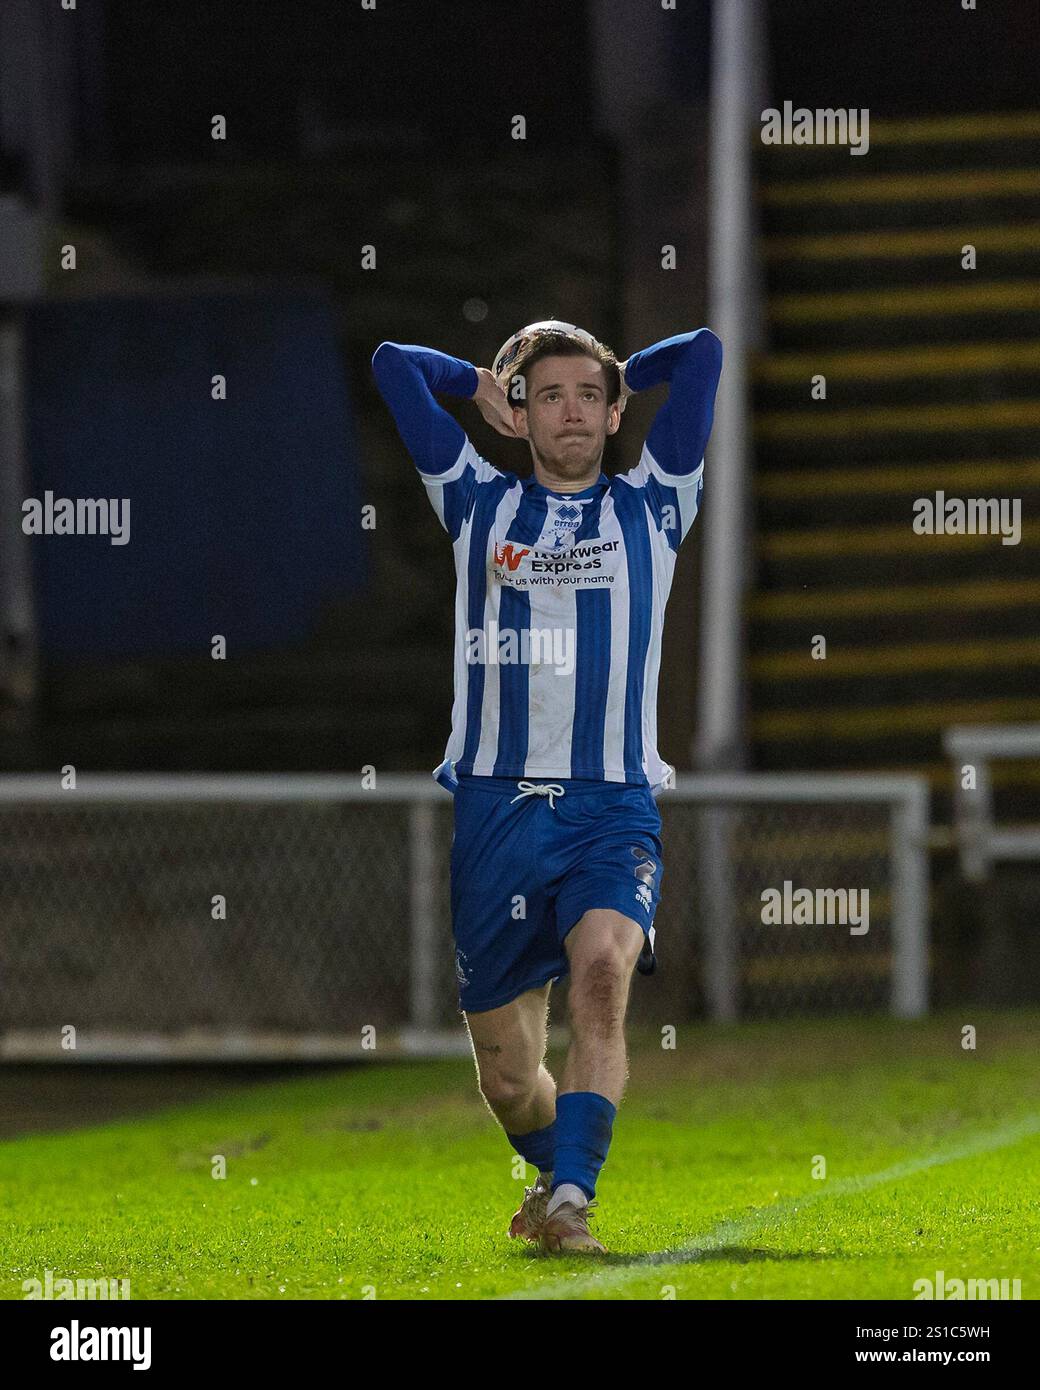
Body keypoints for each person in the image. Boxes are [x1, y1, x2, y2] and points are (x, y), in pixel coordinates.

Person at [371, 320, 722, 1253]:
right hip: (497, 808)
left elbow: (705, 355)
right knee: (507, 1075)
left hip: (612, 804)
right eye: (548, 396)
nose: (570, 412)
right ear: (520, 417)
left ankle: (571, 1200)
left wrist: (619, 367)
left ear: (613, 417)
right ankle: (548, 1167)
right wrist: (479, 382)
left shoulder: (655, 503)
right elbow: (391, 365)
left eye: (587, 398)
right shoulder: (473, 500)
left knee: (602, 976)